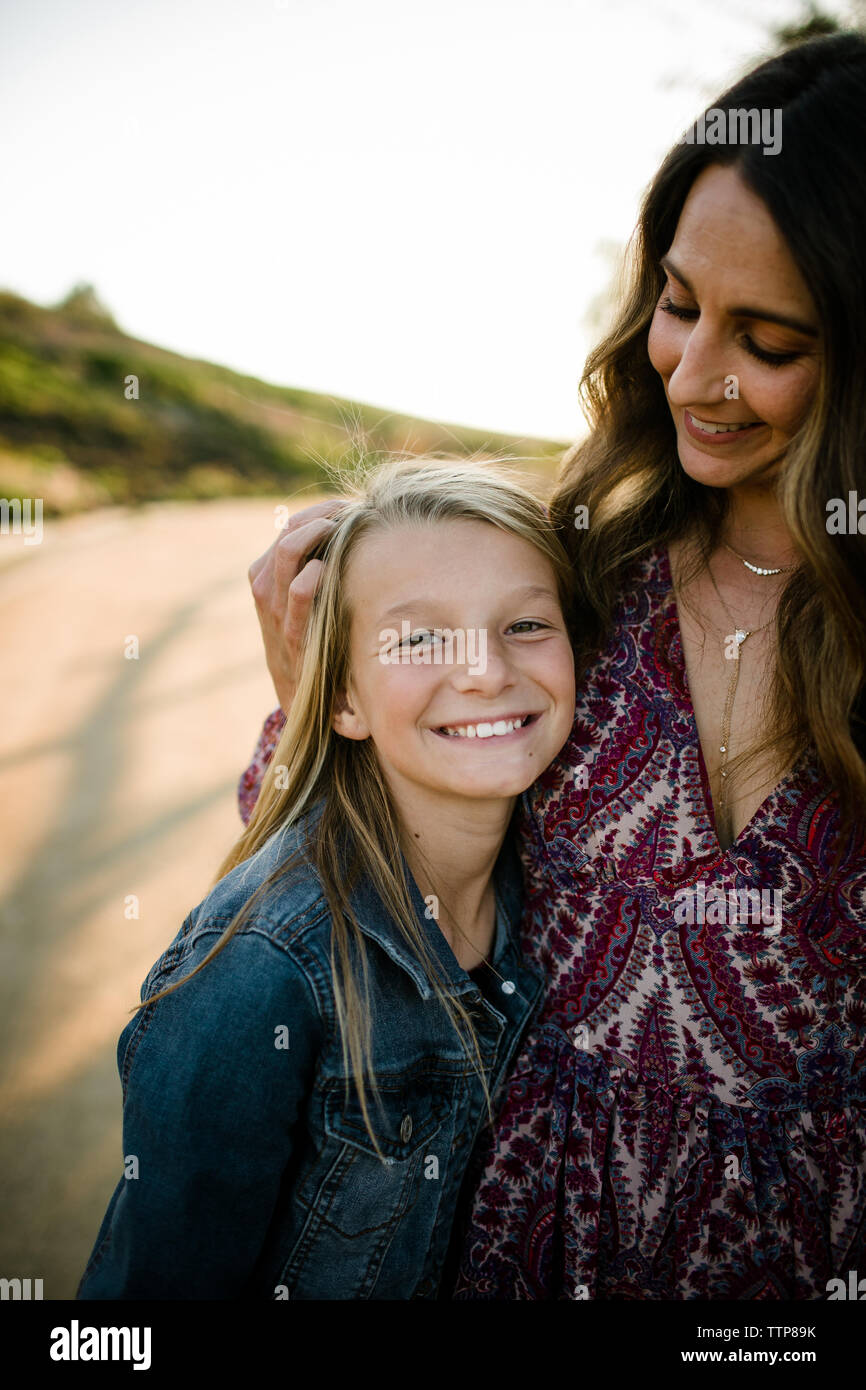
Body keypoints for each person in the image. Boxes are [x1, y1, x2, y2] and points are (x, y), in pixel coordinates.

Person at [238, 32, 866, 1299]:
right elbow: (365, 908)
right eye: (677, 304)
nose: (692, 374)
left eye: (767, 340)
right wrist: (319, 705)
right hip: (514, 1253)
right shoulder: (565, 582)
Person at [75, 456, 576, 1299]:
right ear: (342, 699)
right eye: (419, 639)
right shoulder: (260, 971)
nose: (487, 670)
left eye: (526, 624)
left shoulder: (552, 891)